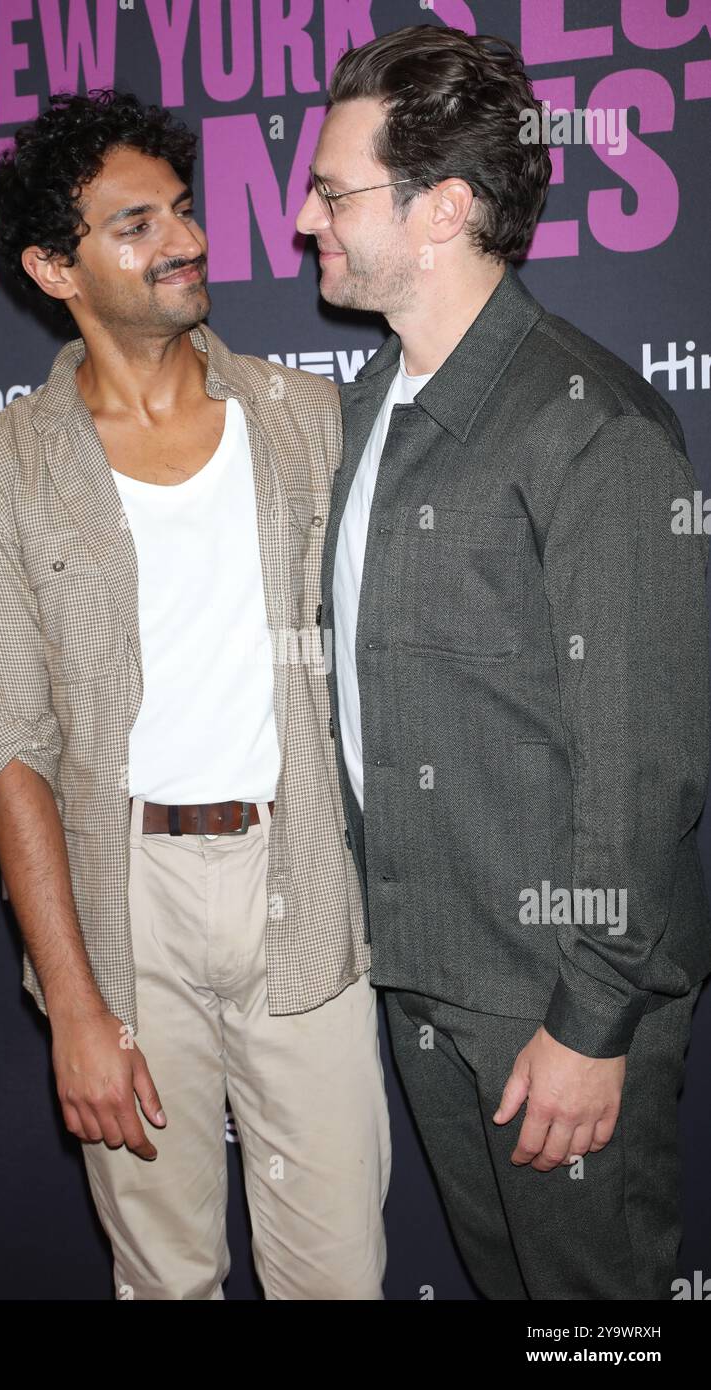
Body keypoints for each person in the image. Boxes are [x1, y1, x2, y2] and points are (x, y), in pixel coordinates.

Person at [0, 88, 390, 1300]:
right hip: (122, 908)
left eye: (182, 210)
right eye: (133, 224)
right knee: (164, 1276)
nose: (182, 240)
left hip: (302, 887)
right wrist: (76, 1003)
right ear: (52, 265)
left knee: (336, 1274)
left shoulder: (305, 419)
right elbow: (5, 741)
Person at [296, 24, 711, 1300]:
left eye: (332, 191)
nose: (303, 216)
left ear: (444, 210)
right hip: (418, 971)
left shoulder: (594, 432)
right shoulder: (361, 412)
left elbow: (646, 765)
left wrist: (593, 1022)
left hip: (558, 998)